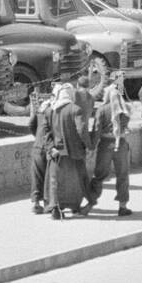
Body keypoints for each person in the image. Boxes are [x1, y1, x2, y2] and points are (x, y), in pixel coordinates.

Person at [88, 70, 132, 215]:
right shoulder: (126, 110)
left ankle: (90, 203)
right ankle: (123, 206)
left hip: (105, 145)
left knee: (99, 175)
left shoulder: (101, 110)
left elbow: (97, 130)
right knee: (123, 175)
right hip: (121, 145)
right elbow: (125, 126)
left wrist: (92, 146)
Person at [47, 81, 92, 219]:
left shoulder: (53, 110)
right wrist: (88, 145)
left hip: (58, 151)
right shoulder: (75, 109)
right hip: (75, 151)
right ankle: (82, 205)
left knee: (55, 180)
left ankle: (55, 208)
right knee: (80, 178)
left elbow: (48, 132)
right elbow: (81, 130)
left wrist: (51, 148)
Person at [29, 91, 53, 214]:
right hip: (49, 147)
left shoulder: (40, 111)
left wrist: (37, 137)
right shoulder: (53, 112)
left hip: (37, 147)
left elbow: (31, 124)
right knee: (49, 176)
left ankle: (36, 203)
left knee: (37, 176)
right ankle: (48, 203)